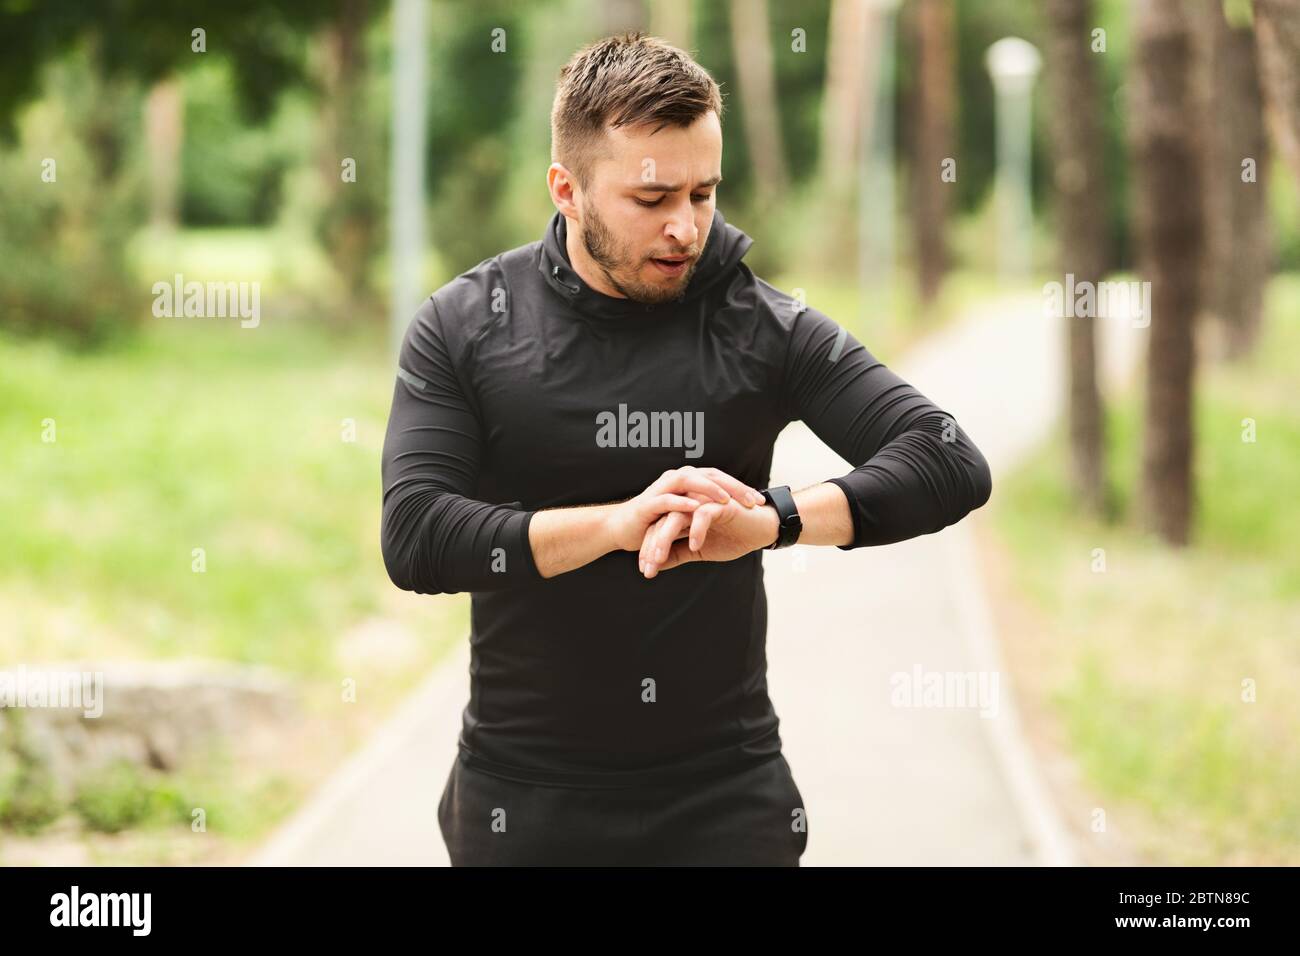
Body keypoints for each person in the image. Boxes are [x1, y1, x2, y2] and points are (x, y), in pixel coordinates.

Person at [380, 32, 992, 866]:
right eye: (653, 197)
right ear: (567, 188)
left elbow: (948, 457)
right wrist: (616, 526)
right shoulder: (466, 326)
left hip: (725, 800)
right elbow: (416, 536)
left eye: (704, 193)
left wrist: (772, 521)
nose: (686, 227)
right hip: (523, 800)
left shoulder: (762, 325)